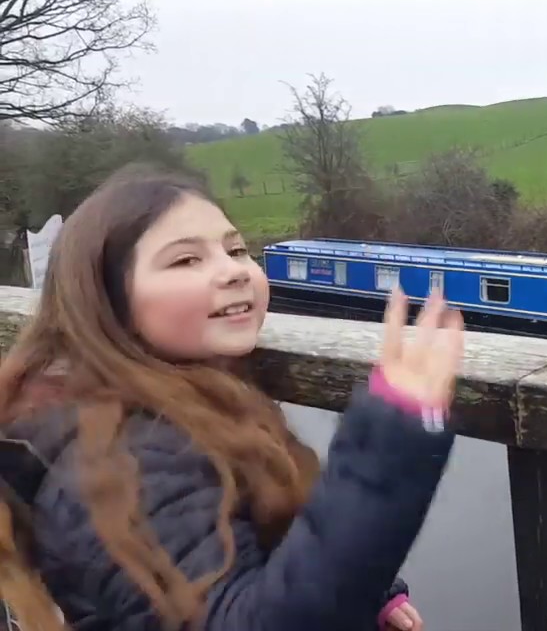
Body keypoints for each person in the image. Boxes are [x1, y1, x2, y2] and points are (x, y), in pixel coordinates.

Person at [0, 163, 464, 631]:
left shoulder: (187, 400)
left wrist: (369, 591)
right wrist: (387, 443)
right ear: (107, 302)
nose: (233, 271)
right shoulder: (121, 462)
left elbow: (258, 535)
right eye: (186, 260)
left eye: (237, 250)